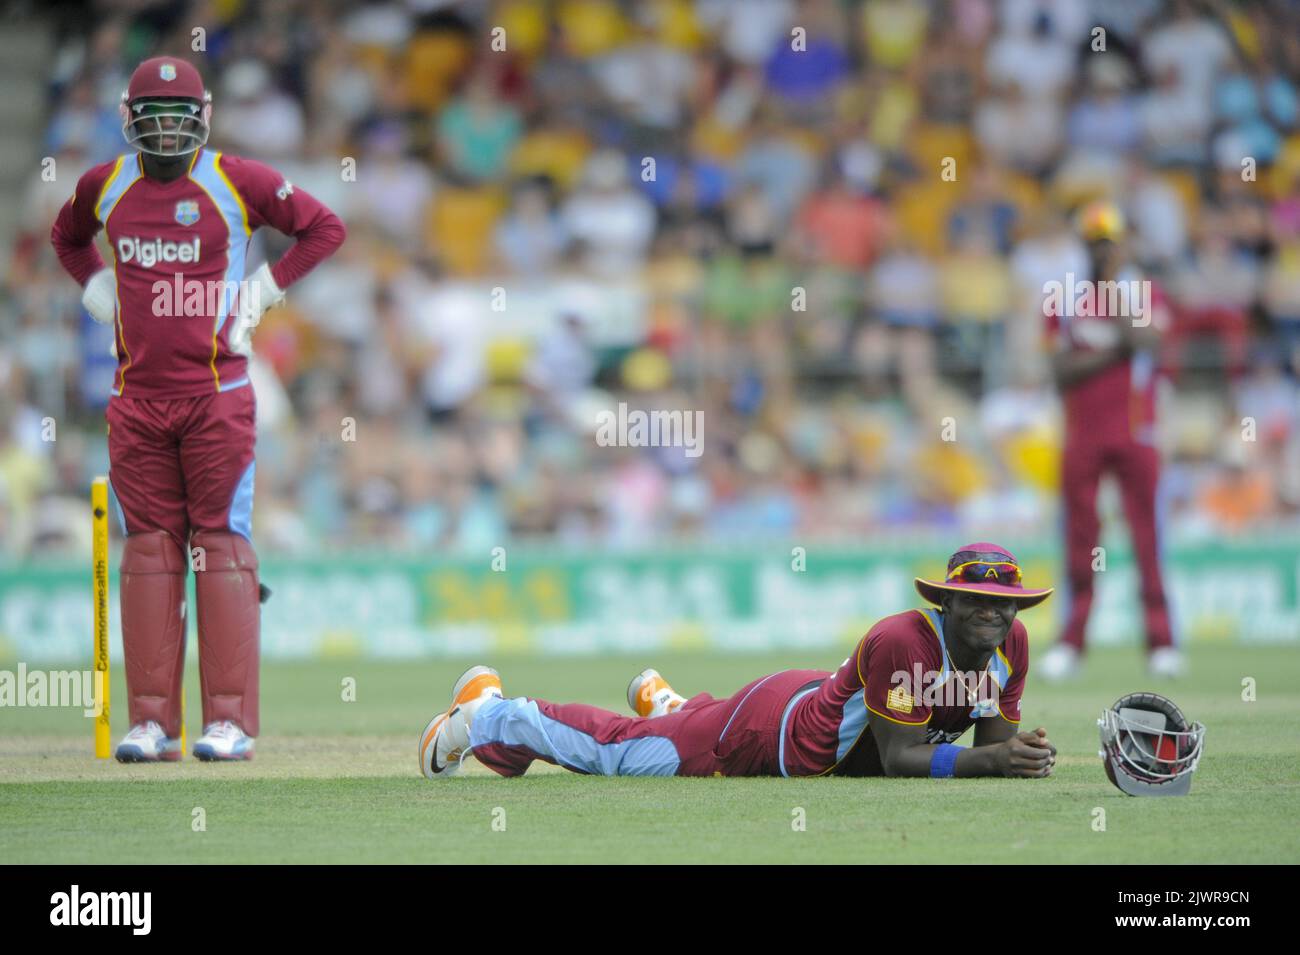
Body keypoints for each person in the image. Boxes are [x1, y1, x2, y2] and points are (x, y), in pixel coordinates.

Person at [51, 56, 346, 761]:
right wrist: (95, 285)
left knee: (217, 544)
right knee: (150, 550)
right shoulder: (106, 184)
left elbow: (324, 227)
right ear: (129, 121)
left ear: (202, 120)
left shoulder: (234, 179)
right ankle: (154, 724)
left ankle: (231, 723)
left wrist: (266, 287)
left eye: (176, 119)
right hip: (137, 399)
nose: (164, 133)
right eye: (151, 119)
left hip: (217, 396)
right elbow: (66, 238)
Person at [418, 543, 1058, 781]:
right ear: (945, 599)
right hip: (768, 737)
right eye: (977, 600)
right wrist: (993, 761)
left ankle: (674, 708)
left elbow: (994, 742)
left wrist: (1016, 755)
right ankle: (488, 715)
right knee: (616, 753)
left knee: (671, 731)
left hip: (806, 698)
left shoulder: (1012, 647)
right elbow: (900, 762)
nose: (995, 615)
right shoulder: (904, 642)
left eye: (1007, 605)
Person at [1040, 200, 1183, 681]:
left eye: (1108, 242)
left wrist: (1112, 302)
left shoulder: (1143, 292)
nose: (1101, 250)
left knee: (1147, 537)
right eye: (1093, 242)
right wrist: (1116, 349)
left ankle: (1162, 641)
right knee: (1080, 539)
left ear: (1121, 245)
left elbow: (1151, 343)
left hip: (1136, 430)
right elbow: (1059, 371)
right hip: (1082, 432)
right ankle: (1071, 642)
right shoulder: (1062, 298)